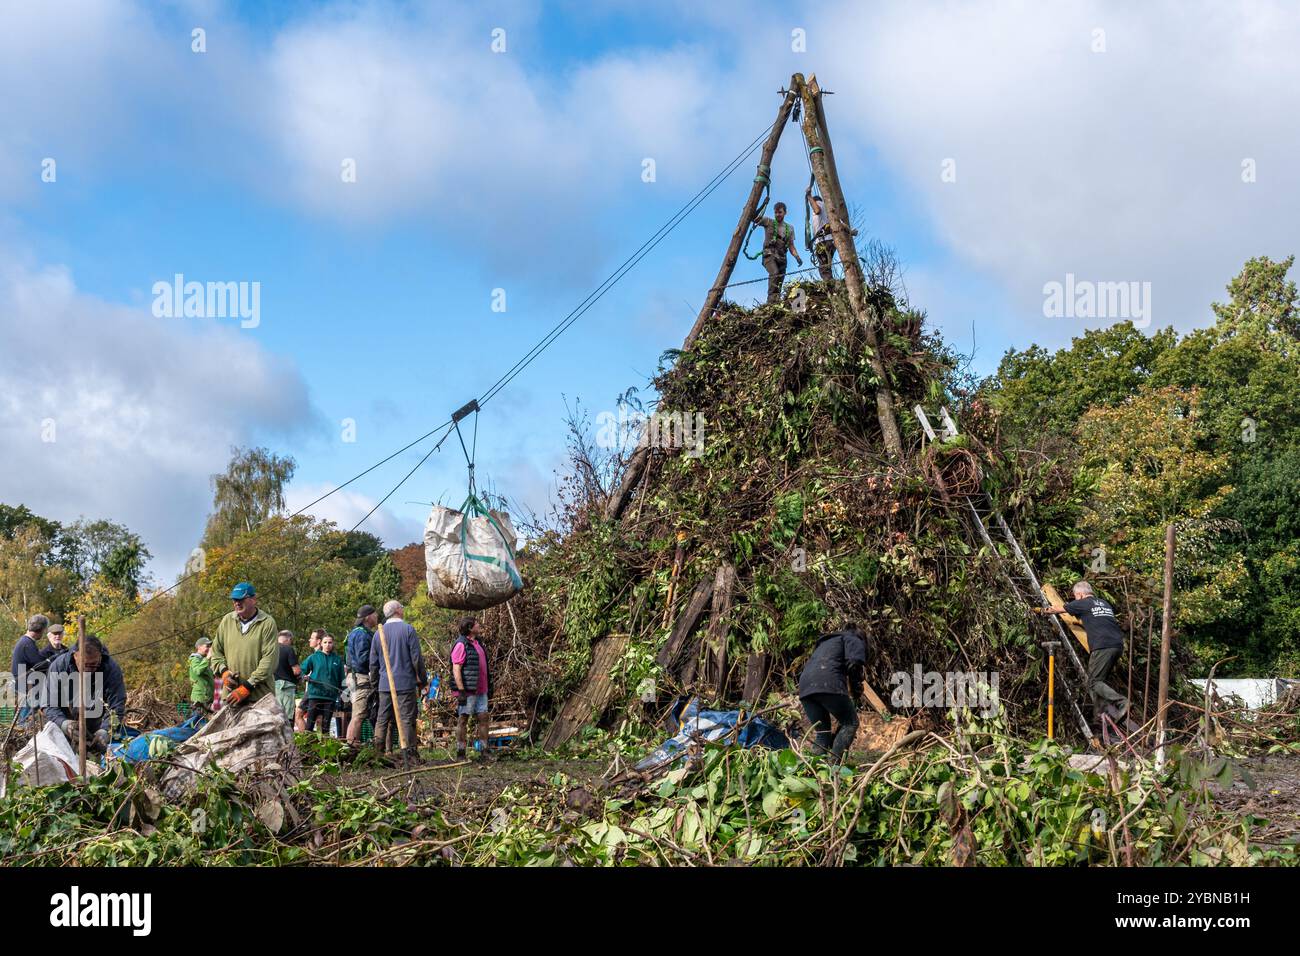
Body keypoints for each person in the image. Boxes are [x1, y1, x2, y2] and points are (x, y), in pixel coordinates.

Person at [1039, 581, 1130, 724]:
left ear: (1080, 594)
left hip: (1102, 646)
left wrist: (1045, 610)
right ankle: (1100, 715)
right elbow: (1096, 621)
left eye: (1075, 596)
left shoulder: (1083, 603)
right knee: (1098, 680)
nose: (1075, 599)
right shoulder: (1104, 603)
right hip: (1117, 645)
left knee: (1094, 682)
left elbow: (1060, 608)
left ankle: (1122, 702)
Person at [43, 635, 127, 752]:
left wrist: (106, 730)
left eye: (94, 665)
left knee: (96, 764)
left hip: (96, 728)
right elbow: (48, 704)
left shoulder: (110, 668)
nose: (88, 669)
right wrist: (64, 724)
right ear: (75, 655)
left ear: (100, 657)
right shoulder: (59, 666)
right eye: (85, 665)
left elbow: (117, 704)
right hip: (63, 727)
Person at [369, 601, 428, 764]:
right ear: (397, 611)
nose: (403, 609)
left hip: (385, 684)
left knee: (382, 719)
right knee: (407, 719)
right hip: (405, 683)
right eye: (402, 607)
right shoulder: (408, 629)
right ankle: (410, 755)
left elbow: (373, 663)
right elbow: (417, 658)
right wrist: (423, 680)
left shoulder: (378, 634)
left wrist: (375, 683)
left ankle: (378, 755)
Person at [797, 627, 868, 763]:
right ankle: (834, 767)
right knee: (850, 723)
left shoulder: (827, 643)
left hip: (805, 686)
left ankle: (812, 770)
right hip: (827, 682)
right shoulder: (852, 638)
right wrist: (856, 686)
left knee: (822, 733)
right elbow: (854, 663)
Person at [210, 582, 279, 707]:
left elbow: (269, 660)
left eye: (241, 599)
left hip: (260, 698)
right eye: (235, 600)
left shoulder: (267, 623)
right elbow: (216, 652)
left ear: (253, 599)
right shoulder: (227, 620)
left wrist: (247, 686)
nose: (237, 603)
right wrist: (224, 671)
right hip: (231, 698)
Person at [450, 617, 491, 761]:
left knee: (483, 717)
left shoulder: (478, 643)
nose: (479, 625)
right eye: (476, 624)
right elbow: (456, 668)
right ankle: (461, 753)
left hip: (481, 689)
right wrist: (461, 690)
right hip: (468, 690)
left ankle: (485, 751)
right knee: (463, 718)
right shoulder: (461, 644)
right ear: (469, 628)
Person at [752, 201, 802, 304]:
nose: (777, 215)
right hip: (769, 255)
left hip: (782, 258)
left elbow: (791, 245)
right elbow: (754, 217)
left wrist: (797, 257)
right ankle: (770, 301)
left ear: (785, 213)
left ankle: (776, 302)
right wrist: (763, 204)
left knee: (779, 280)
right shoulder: (768, 221)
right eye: (776, 212)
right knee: (774, 273)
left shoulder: (790, 228)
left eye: (780, 212)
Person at [345, 605, 378, 745]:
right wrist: (377, 662)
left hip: (356, 676)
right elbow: (362, 658)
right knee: (358, 714)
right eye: (375, 615)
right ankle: (351, 746)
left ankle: (353, 745)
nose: (377, 617)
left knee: (360, 714)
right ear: (367, 617)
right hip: (361, 677)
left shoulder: (358, 632)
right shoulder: (361, 634)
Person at [10, 614, 51, 723]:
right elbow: (40, 663)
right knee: (25, 715)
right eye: (44, 630)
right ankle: (23, 733)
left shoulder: (25, 642)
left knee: (28, 712)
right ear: (40, 629)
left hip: (25, 685)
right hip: (26, 687)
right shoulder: (27, 644)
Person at [300, 633, 344, 734]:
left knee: (326, 727)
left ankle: (324, 748)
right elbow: (302, 670)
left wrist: (344, 695)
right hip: (315, 694)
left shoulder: (337, 659)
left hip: (330, 697)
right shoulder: (314, 657)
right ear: (321, 644)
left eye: (330, 642)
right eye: (325, 642)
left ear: (333, 644)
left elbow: (342, 679)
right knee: (310, 725)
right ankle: (306, 747)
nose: (327, 644)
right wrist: (304, 676)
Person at [273, 630, 301, 721]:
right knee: (287, 717)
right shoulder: (288, 649)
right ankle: (287, 735)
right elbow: (296, 671)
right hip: (286, 687)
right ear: (289, 639)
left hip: (273, 686)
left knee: (276, 716)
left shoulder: (270, 649)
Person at [807, 188, 834, 281]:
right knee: (827, 266)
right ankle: (831, 282)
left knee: (823, 268)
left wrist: (809, 197)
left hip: (822, 241)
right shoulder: (829, 209)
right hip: (830, 241)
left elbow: (817, 210)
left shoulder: (818, 204)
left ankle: (830, 285)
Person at [188, 637, 215, 716]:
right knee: (198, 725)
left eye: (210, 646)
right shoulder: (195, 659)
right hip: (199, 701)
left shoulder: (203, 660)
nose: (209, 648)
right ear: (199, 647)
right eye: (207, 646)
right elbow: (198, 671)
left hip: (207, 699)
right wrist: (207, 658)